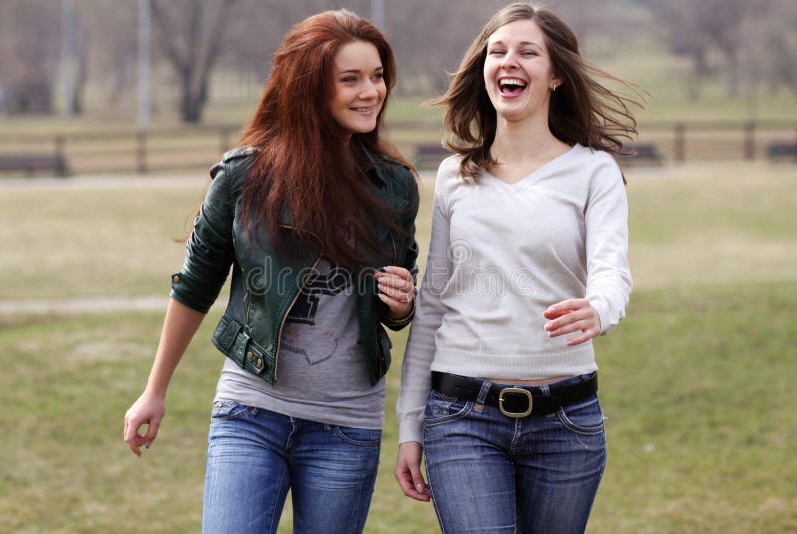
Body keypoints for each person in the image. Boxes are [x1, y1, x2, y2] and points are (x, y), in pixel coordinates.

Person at [123, 9, 419, 533]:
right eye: (350, 79)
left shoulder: (395, 185)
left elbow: (397, 303)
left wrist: (402, 303)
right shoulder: (245, 175)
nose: (370, 91)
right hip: (251, 413)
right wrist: (155, 390)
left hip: (347, 426)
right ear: (308, 88)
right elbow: (195, 285)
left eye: (377, 76)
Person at [394, 3, 639, 533]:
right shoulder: (456, 176)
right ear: (484, 69)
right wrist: (410, 424)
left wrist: (599, 309)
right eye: (498, 51)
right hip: (462, 418)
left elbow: (612, 272)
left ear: (556, 75)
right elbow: (432, 305)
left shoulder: (593, 171)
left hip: (567, 422)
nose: (509, 61)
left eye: (528, 52)